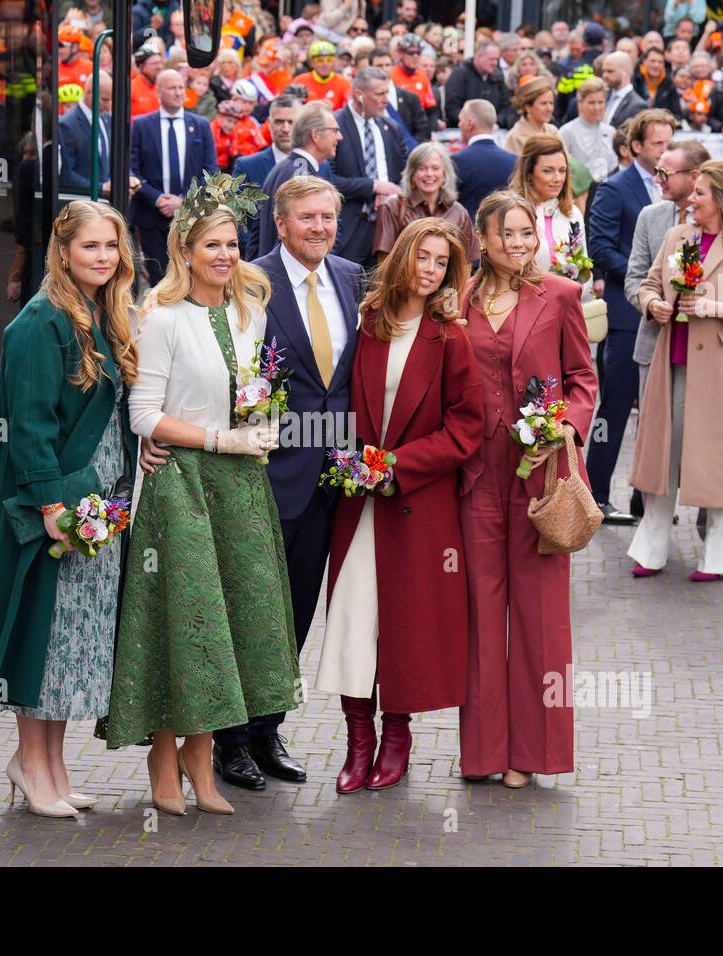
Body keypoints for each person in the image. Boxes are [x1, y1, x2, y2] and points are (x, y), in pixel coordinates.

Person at [107, 180, 299, 816]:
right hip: (181, 487)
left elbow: (259, 394)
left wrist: (264, 426)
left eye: (232, 244)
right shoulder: (159, 319)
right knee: (180, 626)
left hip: (241, 489)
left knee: (234, 626)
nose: (224, 254)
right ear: (184, 251)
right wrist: (220, 439)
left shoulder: (251, 313)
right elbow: (142, 414)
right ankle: (165, 760)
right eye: (211, 245)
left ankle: (201, 752)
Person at [0, 200, 138, 818]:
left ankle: (52, 767)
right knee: (42, 636)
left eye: (111, 247)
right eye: (90, 247)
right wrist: (52, 509)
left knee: (70, 645)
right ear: (62, 252)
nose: (103, 258)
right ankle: (30, 764)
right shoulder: (40, 322)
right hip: (57, 504)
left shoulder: (103, 311)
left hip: (100, 501)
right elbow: (29, 428)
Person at [319, 217, 484, 793]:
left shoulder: (450, 336)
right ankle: (356, 741)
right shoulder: (368, 324)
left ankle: (396, 738)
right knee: (353, 618)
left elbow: (468, 427)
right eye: (424, 257)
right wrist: (350, 460)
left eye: (442, 263)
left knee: (406, 628)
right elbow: (337, 400)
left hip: (416, 503)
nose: (431, 270)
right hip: (358, 502)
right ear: (403, 258)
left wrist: (397, 468)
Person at [212, 176, 364, 791]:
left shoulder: (354, 277)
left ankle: (267, 726)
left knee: (299, 610)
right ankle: (230, 739)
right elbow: (229, 368)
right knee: (250, 608)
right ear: (280, 224)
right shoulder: (249, 281)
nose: (320, 227)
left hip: (335, 476)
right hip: (266, 474)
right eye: (307, 218)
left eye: (327, 216)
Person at [458, 190, 596, 787]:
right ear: (482, 239)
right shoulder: (455, 301)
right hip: (475, 477)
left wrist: (567, 424)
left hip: (541, 476)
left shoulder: (561, 296)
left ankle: (533, 755)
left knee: (539, 617)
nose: (517, 243)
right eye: (505, 234)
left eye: (525, 233)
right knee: (481, 618)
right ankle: (486, 754)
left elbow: (583, 378)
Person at [629, 160, 723, 580]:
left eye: (700, 194)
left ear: (721, 200)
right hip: (672, 363)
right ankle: (651, 551)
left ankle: (718, 559)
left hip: (722, 374)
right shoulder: (677, 236)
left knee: (718, 464)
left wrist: (712, 308)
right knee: (663, 459)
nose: (690, 200)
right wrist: (652, 304)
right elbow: (650, 285)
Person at [586, 109, 678, 525]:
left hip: (668, 315)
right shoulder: (613, 189)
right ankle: (596, 494)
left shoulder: (677, 191)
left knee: (658, 411)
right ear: (635, 146)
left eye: (669, 143)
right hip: (627, 315)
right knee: (616, 407)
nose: (665, 151)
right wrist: (648, 280)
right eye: (658, 144)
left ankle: (647, 496)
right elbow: (601, 248)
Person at [626, 139, 712, 404]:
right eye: (657, 172)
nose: (657, 179)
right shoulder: (649, 217)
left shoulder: (721, 225)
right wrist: (651, 303)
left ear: (694, 176)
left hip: (706, 350)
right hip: (655, 345)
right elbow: (634, 280)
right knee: (653, 437)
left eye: (665, 173)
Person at [130, 69, 218, 281]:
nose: (178, 93)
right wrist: (157, 198)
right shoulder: (141, 125)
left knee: (189, 278)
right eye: (172, 88)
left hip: (190, 216)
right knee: (159, 278)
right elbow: (131, 168)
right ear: (158, 92)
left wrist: (183, 201)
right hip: (151, 215)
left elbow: (211, 173)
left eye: (181, 87)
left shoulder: (201, 126)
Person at [332, 67, 407, 267]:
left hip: (388, 226)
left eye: (387, 93)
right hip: (350, 227)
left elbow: (404, 172)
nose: (386, 100)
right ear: (359, 95)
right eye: (380, 94)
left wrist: (392, 193)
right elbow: (326, 180)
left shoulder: (391, 127)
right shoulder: (334, 125)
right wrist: (372, 187)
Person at [253, 101, 342, 257]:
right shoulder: (301, 175)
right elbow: (289, 236)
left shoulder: (283, 167)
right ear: (315, 135)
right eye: (335, 130)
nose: (339, 137)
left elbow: (257, 234)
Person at [374, 141, 479, 262]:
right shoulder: (392, 206)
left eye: (435, 168)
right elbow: (383, 261)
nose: (429, 174)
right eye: (422, 168)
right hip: (403, 280)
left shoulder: (459, 212)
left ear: (445, 174)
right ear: (412, 175)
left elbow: (466, 262)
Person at [510, 134, 587, 291]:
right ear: (529, 173)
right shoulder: (512, 214)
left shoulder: (572, 213)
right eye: (548, 171)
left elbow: (585, 267)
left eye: (562, 170)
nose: (557, 178)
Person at [452, 99, 518, 220]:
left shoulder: (457, 161)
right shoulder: (514, 161)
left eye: (460, 120)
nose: (459, 125)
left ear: (470, 124)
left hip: (467, 233)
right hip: (505, 231)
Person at [444, 41, 516, 128]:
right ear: (478, 57)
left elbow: (506, 106)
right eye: (491, 59)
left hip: (494, 128)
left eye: (496, 59)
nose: (495, 63)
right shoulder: (460, 75)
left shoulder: (498, 77)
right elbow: (452, 107)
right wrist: (473, 124)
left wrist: (496, 122)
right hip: (464, 129)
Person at [559, 76, 617, 184]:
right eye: (591, 103)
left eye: (600, 102)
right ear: (580, 104)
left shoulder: (611, 132)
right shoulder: (567, 132)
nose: (596, 108)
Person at [504, 75, 558, 156]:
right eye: (543, 103)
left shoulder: (553, 131)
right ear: (528, 107)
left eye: (551, 103)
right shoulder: (515, 137)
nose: (549, 109)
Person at [294, 40, 352, 109]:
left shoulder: (344, 83)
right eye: (320, 60)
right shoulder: (299, 81)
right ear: (311, 62)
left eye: (329, 60)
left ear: (334, 62)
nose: (325, 64)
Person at [633, 46, 681, 117]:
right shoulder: (634, 80)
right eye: (653, 61)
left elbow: (677, 114)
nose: (656, 65)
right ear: (644, 62)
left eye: (660, 62)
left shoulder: (669, 84)